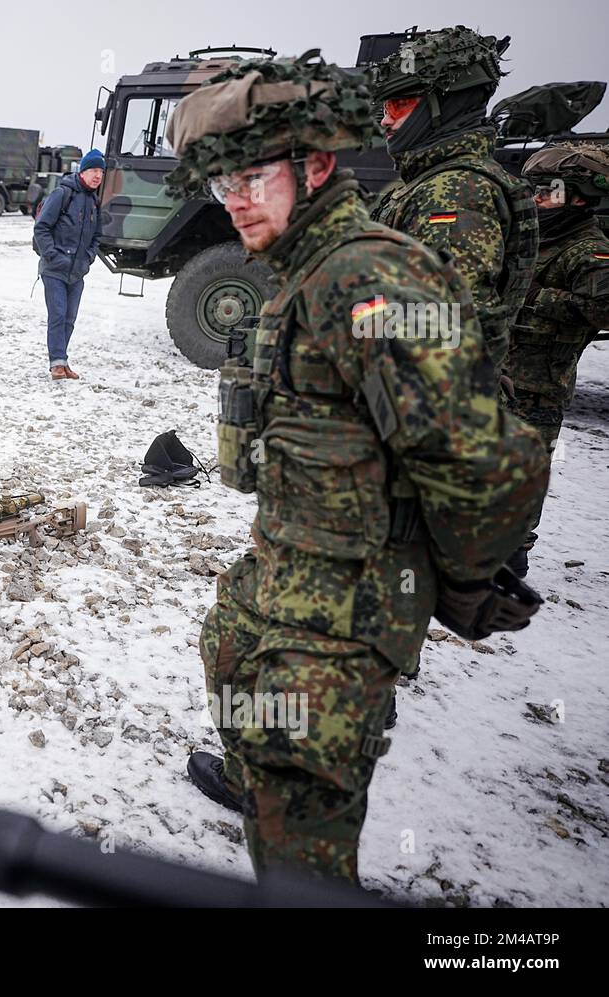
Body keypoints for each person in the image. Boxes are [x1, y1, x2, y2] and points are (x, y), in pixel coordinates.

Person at [166, 52, 549, 883]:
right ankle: (254, 779)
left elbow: (490, 461)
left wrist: (463, 583)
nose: (233, 196)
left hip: (341, 621)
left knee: (299, 855)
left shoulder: (368, 278)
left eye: (252, 173)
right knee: (229, 652)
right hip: (289, 571)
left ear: (318, 164)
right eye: (220, 178)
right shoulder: (303, 270)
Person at [369, 26, 538, 378]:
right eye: (385, 106)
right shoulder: (430, 183)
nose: (385, 120)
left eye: (399, 105)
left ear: (442, 106)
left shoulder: (455, 191)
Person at [501, 143, 609, 576]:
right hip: (497, 372)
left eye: (550, 192)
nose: (538, 199)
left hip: (539, 386)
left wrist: (528, 297)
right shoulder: (532, 238)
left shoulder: (590, 250)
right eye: (536, 191)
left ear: (580, 197)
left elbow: (601, 306)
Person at [33, 148, 104, 380]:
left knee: (69, 318)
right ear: (82, 172)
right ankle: (56, 364)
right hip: (54, 269)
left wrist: (88, 258)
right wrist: (53, 256)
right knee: (58, 314)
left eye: (101, 172)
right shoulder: (63, 193)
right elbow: (41, 227)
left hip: (77, 272)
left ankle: (62, 361)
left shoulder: (94, 201)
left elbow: (97, 236)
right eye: (93, 170)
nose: (97, 176)